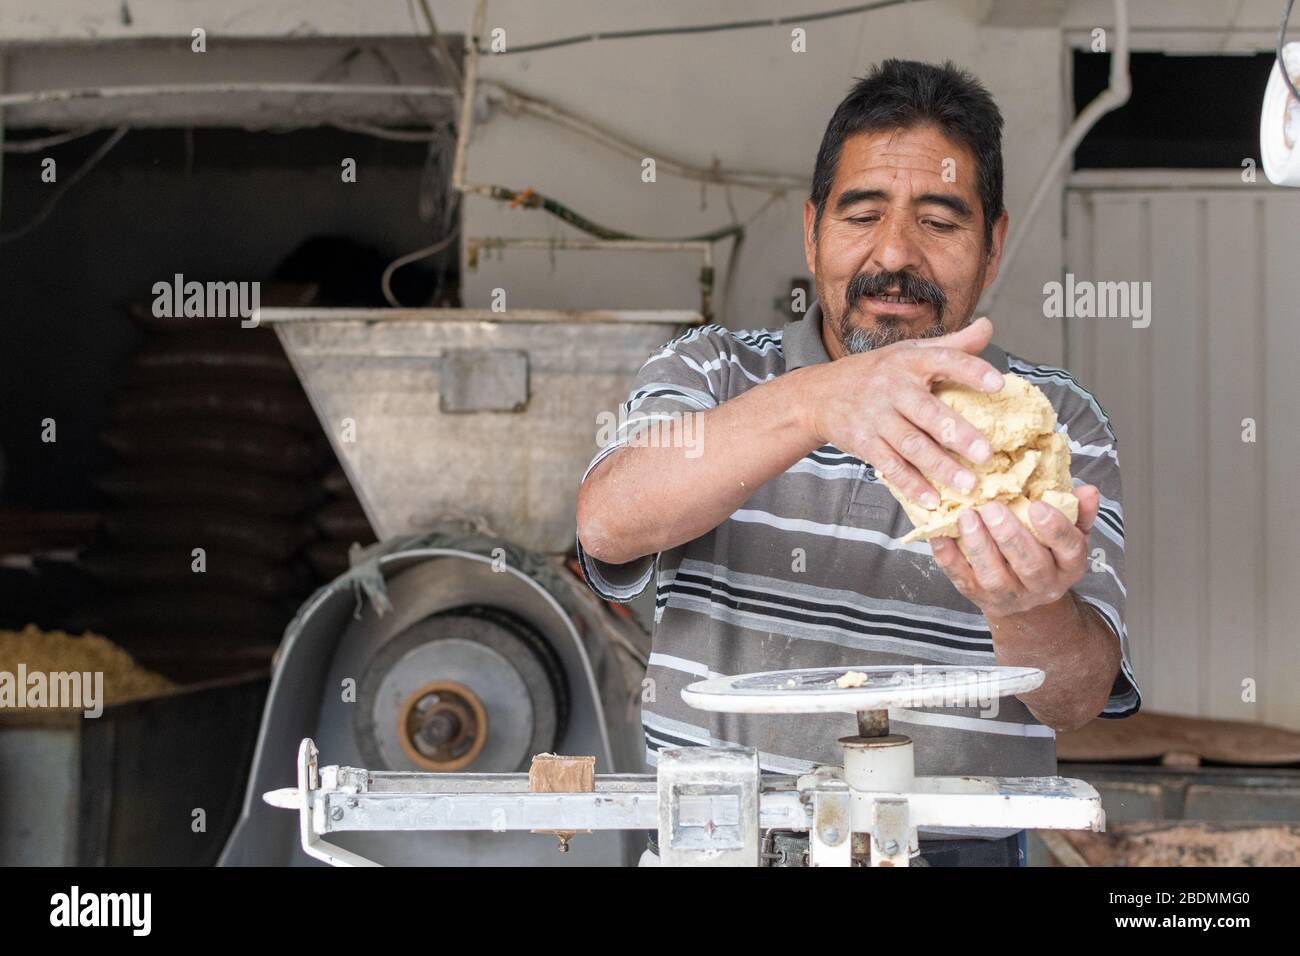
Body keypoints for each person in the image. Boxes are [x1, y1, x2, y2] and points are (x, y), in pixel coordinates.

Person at [575, 59, 1140, 867]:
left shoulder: (1051, 423)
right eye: (862, 214)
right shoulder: (711, 374)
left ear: (994, 245)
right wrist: (818, 401)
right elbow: (608, 519)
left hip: (959, 852)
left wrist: (1028, 606)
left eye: (941, 223)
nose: (895, 255)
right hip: (725, 841)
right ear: (812, 231)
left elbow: (1077, 698)